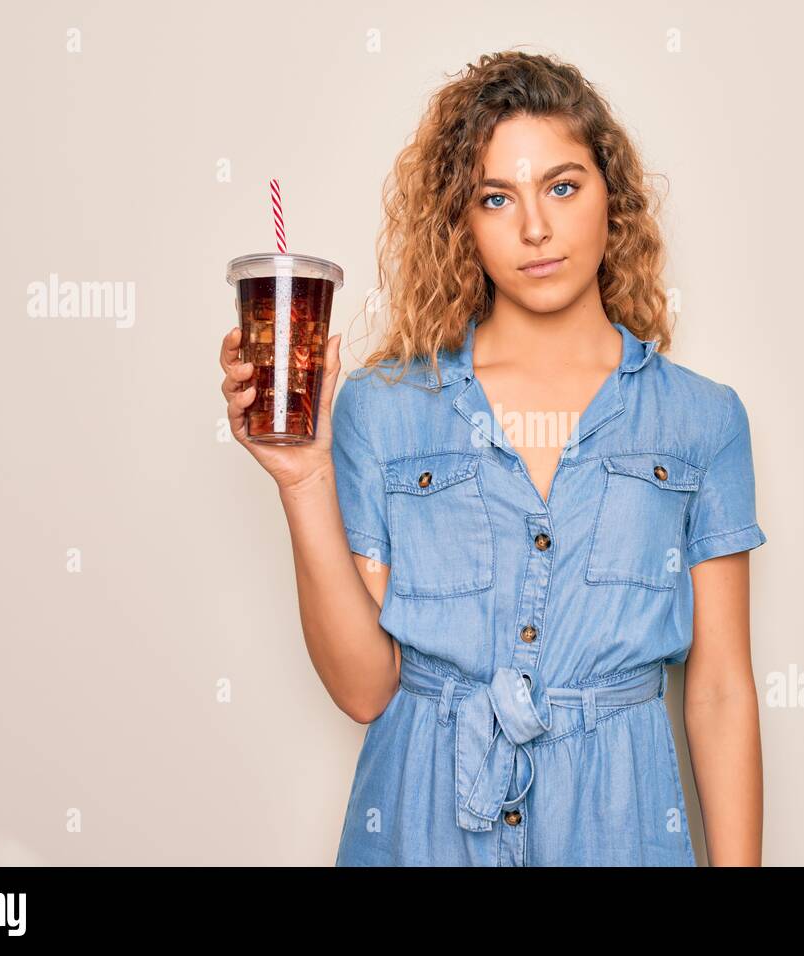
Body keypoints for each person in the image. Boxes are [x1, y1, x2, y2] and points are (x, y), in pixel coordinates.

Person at [218, 50, 767, 866]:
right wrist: (303, 478)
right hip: (420, 826)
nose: (535, 227)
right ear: (461, 223)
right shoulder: (382, 408)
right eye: (496, 197)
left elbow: (720, 691)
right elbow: (366, 688)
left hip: (618, 828)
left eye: (564, 185)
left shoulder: (702, 420)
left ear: (611, 199)